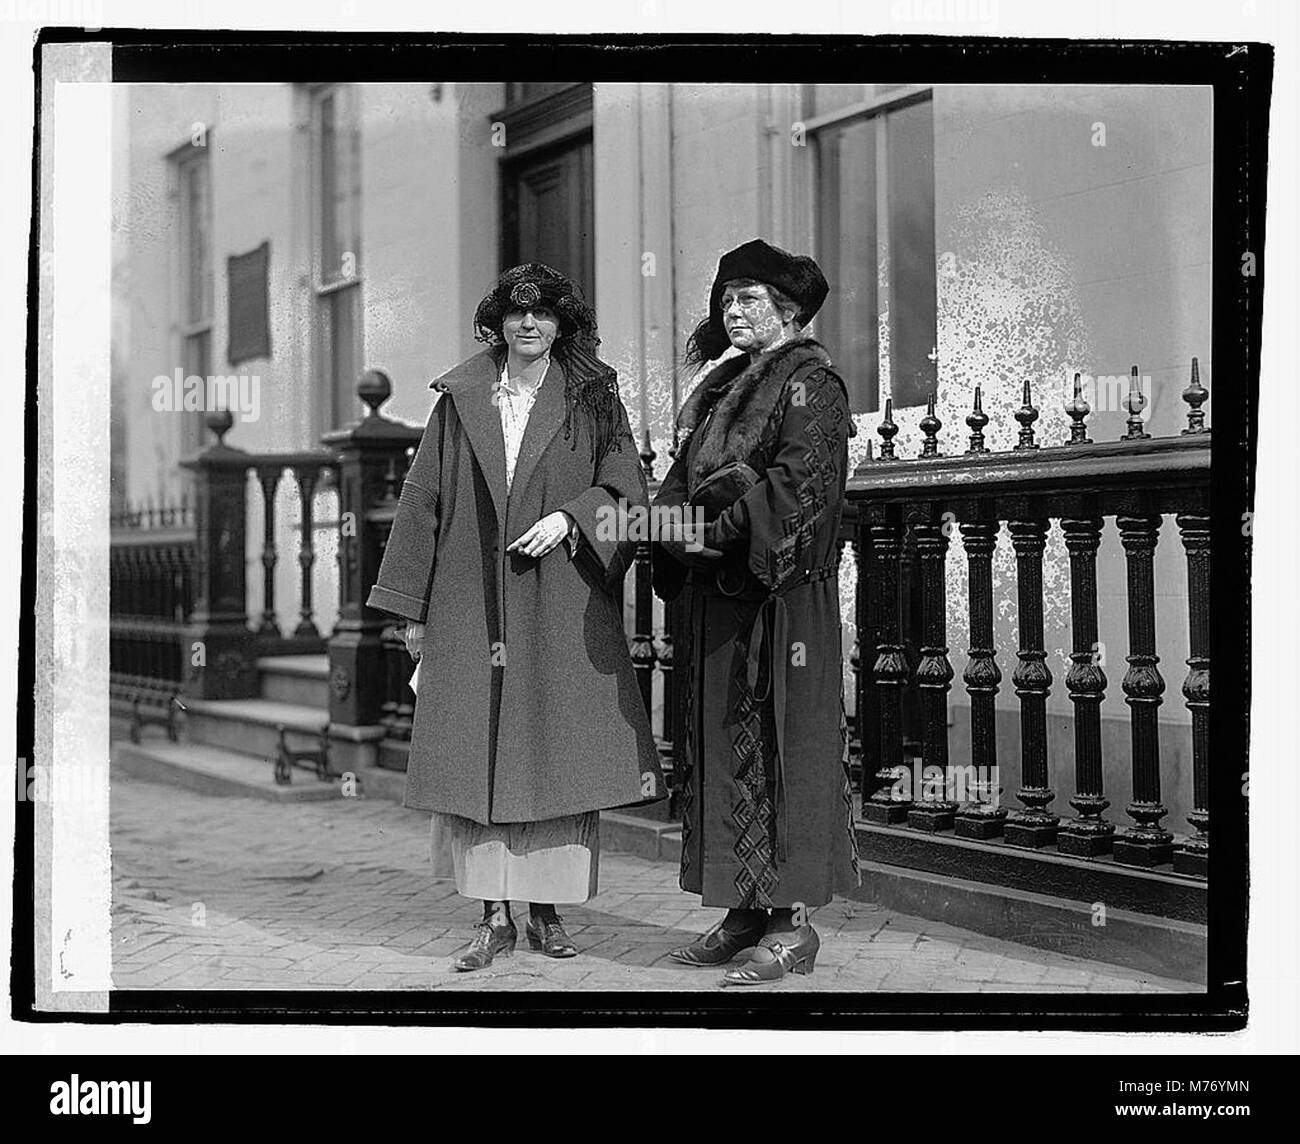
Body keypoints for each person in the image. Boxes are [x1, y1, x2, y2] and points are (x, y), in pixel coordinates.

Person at [367, 263, 663, 972]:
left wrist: (571, 517)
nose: (529, 324)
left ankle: (549, 912)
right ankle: (493, 916)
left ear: (564, 324)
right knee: (476, 751)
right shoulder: (461, 396)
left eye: (543, 313)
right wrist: (413, 612)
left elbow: (627, 486)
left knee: (556, 748)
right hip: (471, 600)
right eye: (515, 312)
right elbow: (422, 503)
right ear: (496, 321)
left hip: (559, 598)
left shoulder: (594, 394)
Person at [652, 239, 860, 985]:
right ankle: (743, 912)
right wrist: (675, 530)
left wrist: (715, 533)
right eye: (725, 298)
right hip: (717, 601)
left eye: (749, 299)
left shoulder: (814, 386)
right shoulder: (720, 390)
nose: (730, 310)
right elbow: (676, 480)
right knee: (719, 751)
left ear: (791, 310)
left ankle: (792, 928)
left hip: (780, 604)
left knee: (784, 752)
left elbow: (798, 486)